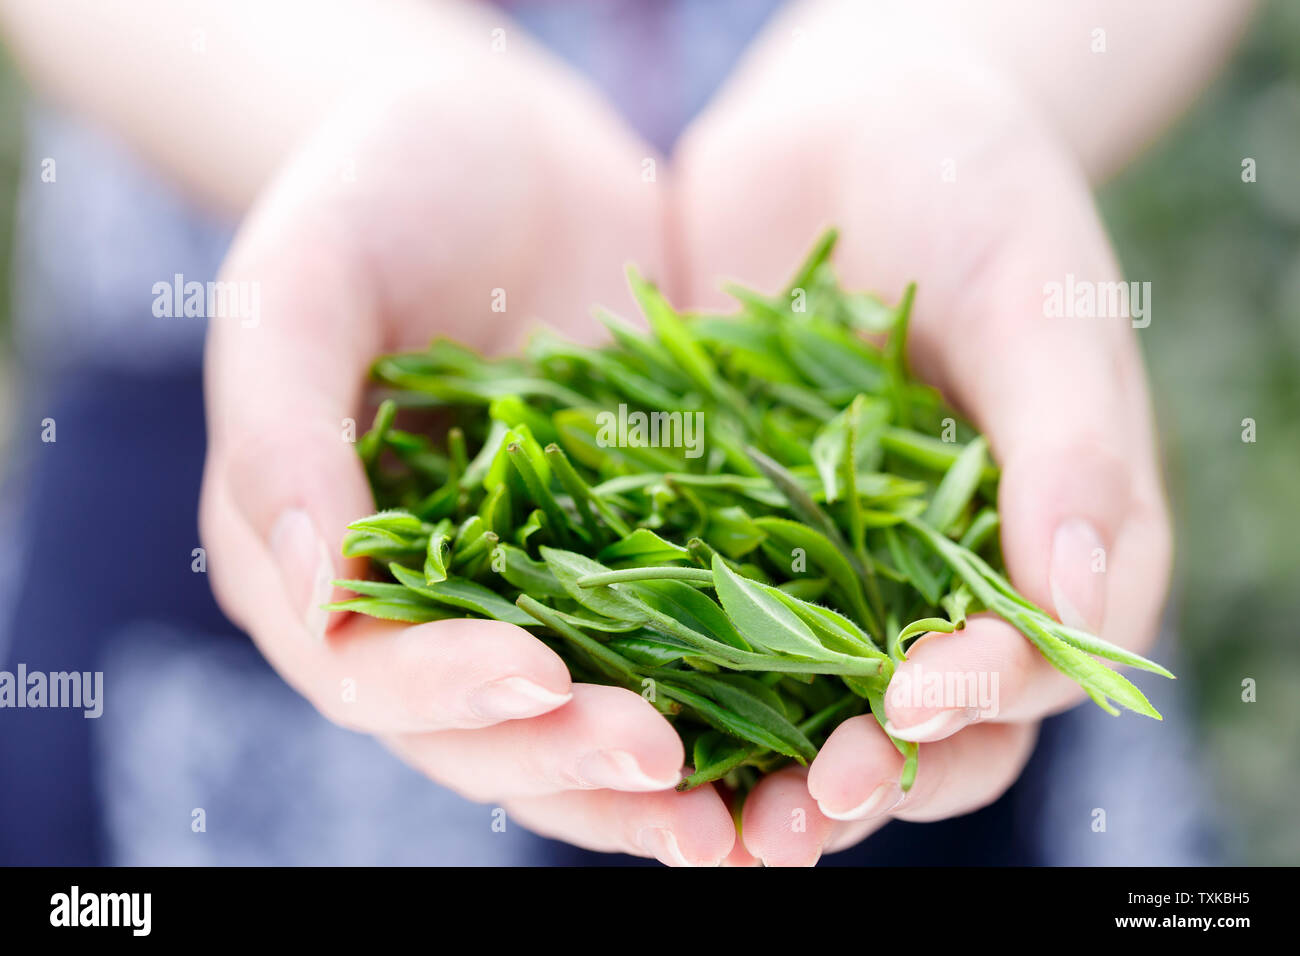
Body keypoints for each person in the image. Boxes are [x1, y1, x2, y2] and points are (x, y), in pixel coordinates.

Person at [0, 0, 1248, 866]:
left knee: (932, 724)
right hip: (311, 395)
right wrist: (353, 97)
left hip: (945, 366)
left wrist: (949, 60)